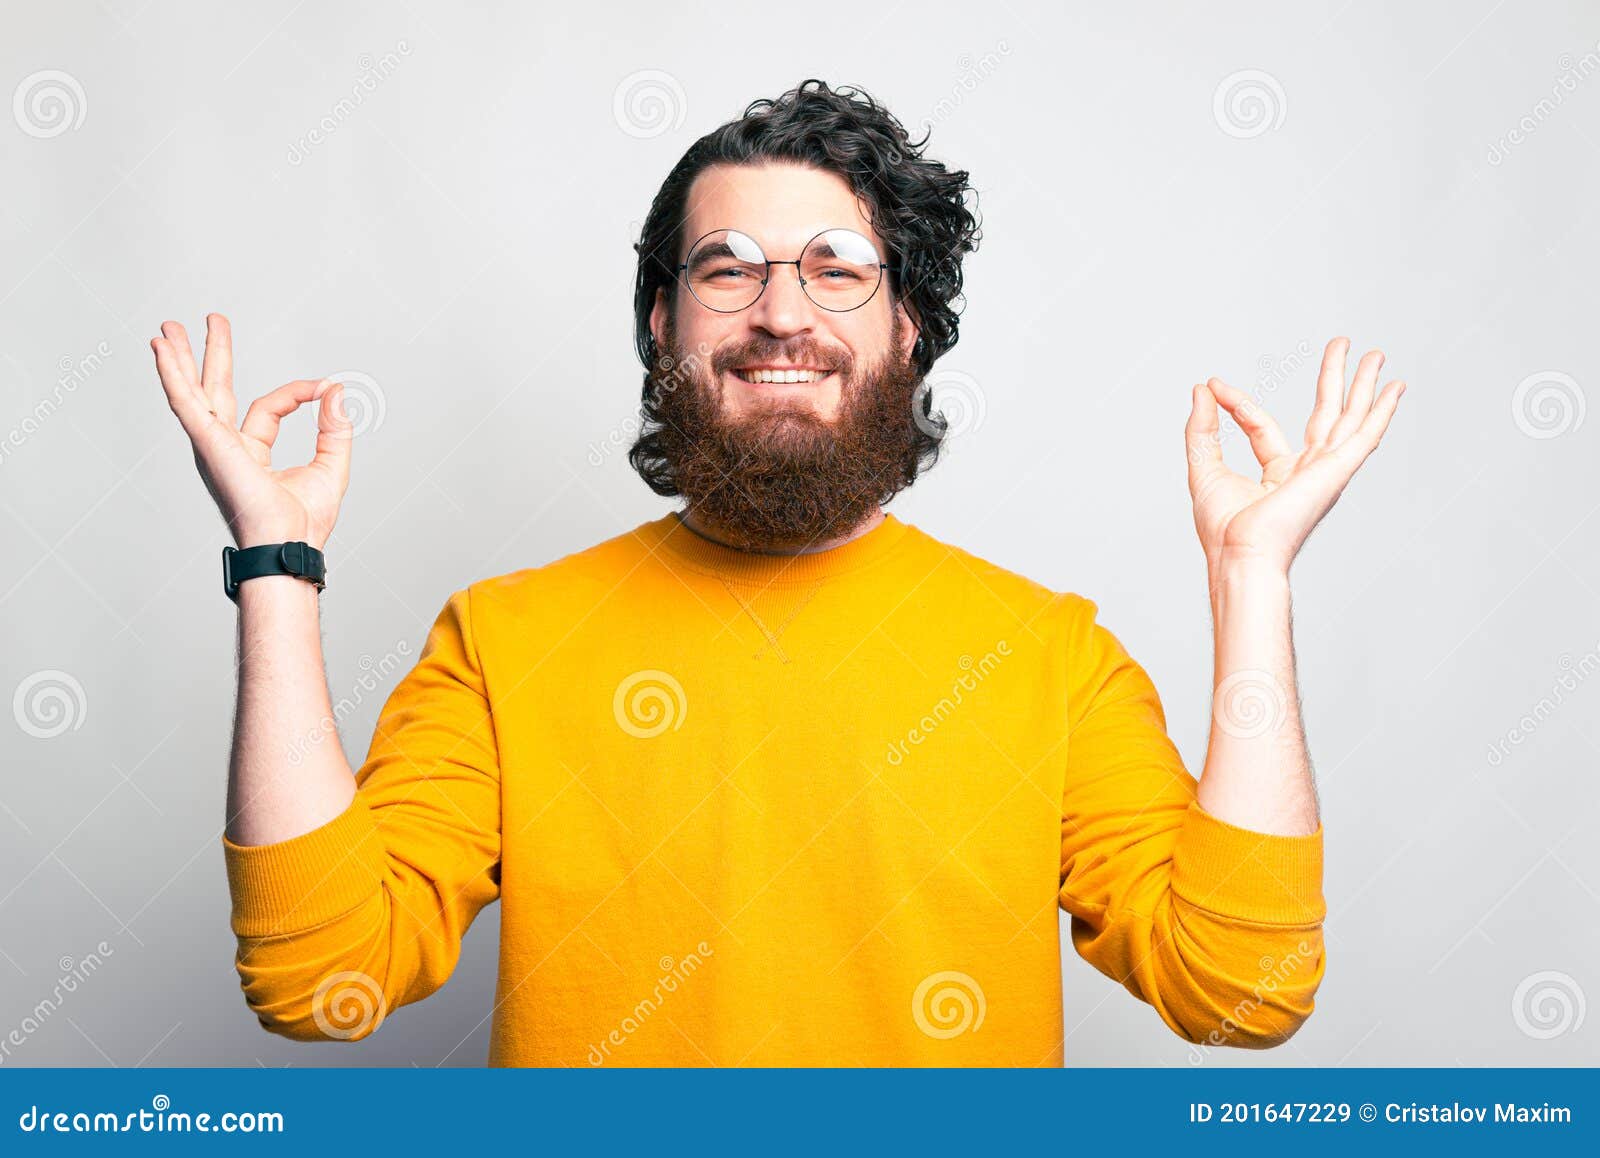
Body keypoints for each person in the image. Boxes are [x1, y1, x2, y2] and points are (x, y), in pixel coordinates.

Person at [150, 80, 1405, 1066]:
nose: (782, 313)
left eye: (838, 270)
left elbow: (1242, 999)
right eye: (727, 268)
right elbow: (319, 983)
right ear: (663, 323)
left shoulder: (1046, 659)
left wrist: (1252, 579)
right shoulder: (502, 638)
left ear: (907, 325)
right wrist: (277, 565)